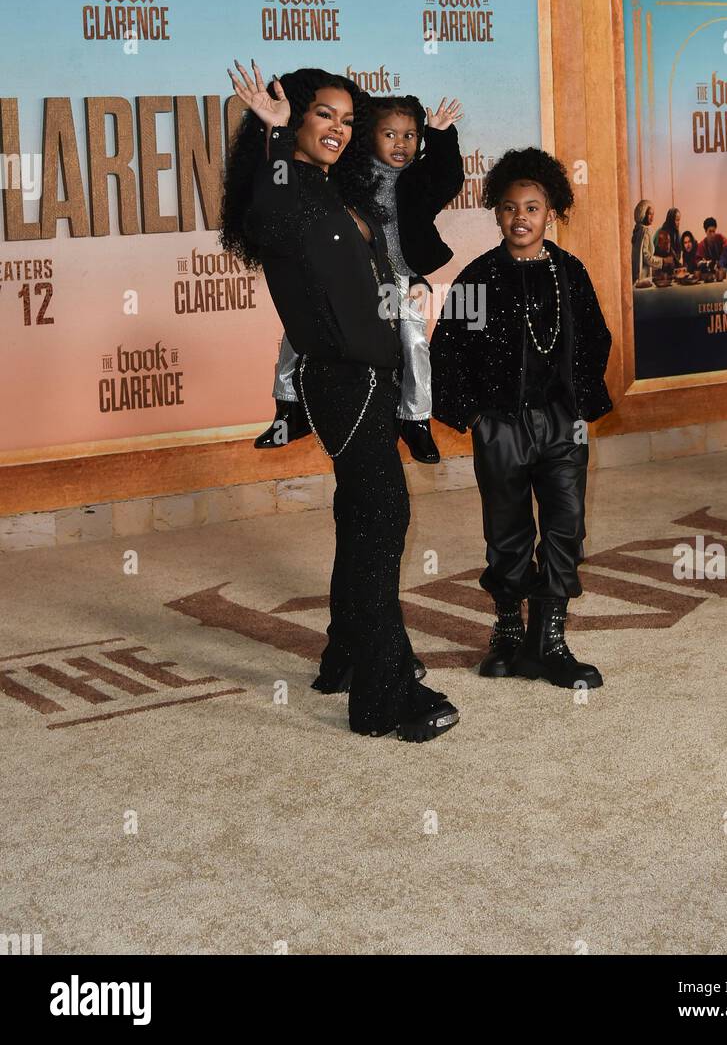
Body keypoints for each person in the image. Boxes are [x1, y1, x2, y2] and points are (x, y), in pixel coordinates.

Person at [220, 60, 458, 742]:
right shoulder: (282, 193)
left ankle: (346, 655)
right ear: (290, 115)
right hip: (343, 381)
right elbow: (264, 213)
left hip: (375, 378)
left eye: (347, 118)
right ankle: (386, 696)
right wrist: (267, 138)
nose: (338, 127)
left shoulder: (331, 193)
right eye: (322, 112)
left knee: (363, 517)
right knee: (383, 520)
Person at [430, 147, 613, 689]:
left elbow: (596, 338)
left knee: (565, 524)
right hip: (502, 426)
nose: (520, 218)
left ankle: (550, 638)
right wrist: (475, 416)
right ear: (495, 213)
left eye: (532, 208)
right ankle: (509, 629)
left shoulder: (569, 272)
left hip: (562, 424)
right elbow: (448, 349)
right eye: (510, 208)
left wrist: (577, 403)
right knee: (507, 530)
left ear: (550, 212)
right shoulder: (479, 276)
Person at [255, 94, 465, 462]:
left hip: (397, 278)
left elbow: (448, 178)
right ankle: (289, 410)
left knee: (414, 339)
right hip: (349, 275)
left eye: (410, 136)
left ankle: (415, 420)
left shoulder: (419, 182)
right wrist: (280, 133)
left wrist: (442, 134)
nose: (400, 144)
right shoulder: (348, 175)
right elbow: (294, 181)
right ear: (369, 136)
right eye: (390, 135)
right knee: (298, 326)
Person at [631, 200, 672, 285]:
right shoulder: (645, 231)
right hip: (642, 277)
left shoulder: (638, 229)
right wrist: (663, 261)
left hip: (637, 275)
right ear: (643, 214)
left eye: (653, 214)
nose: (652, 217)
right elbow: (646, 258)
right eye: (649, 214)